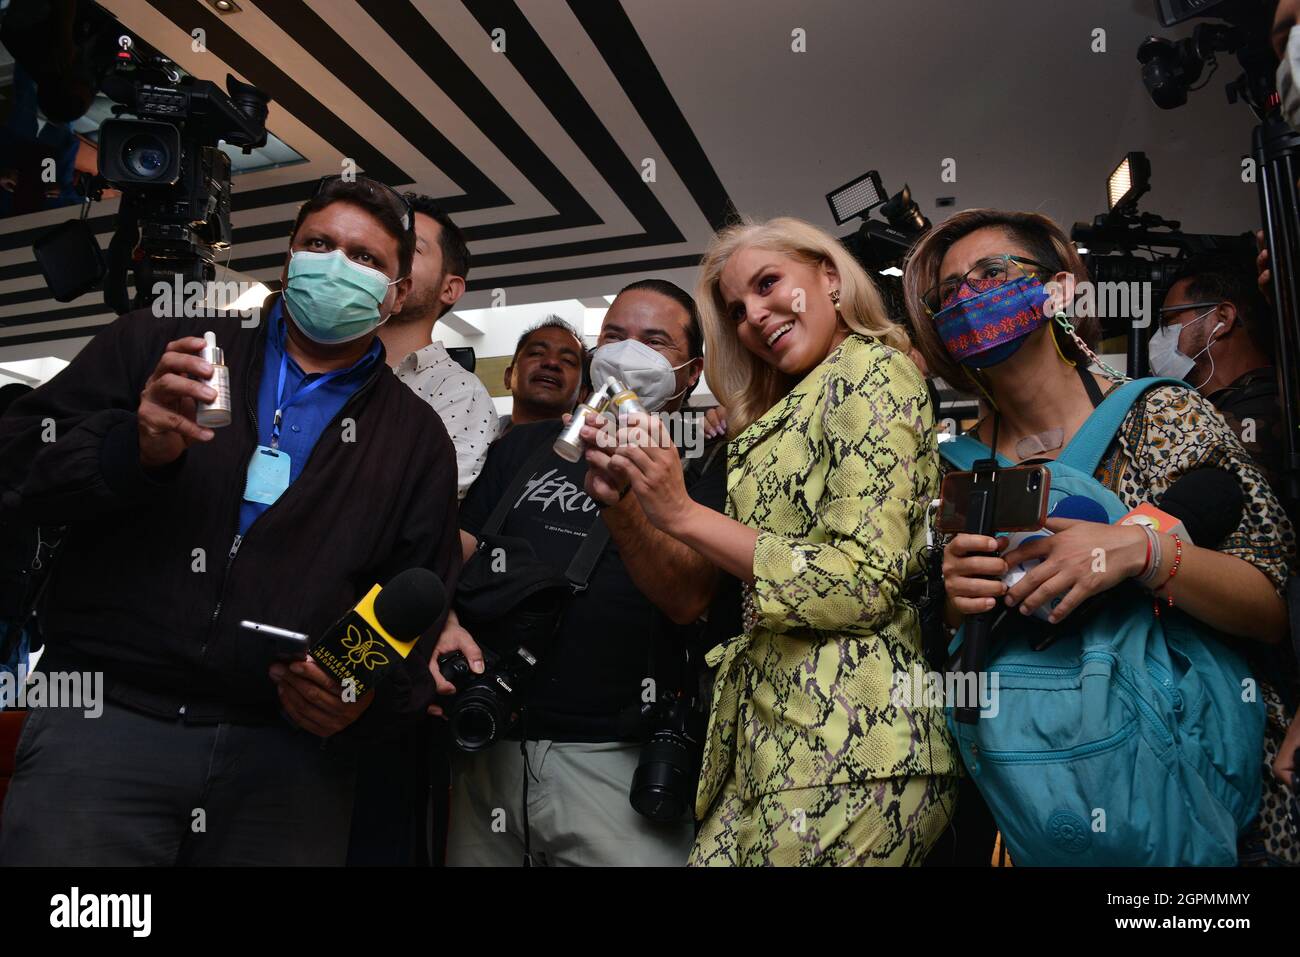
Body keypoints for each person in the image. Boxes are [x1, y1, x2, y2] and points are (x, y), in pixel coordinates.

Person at [0, 175, 461, 866]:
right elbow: (18, 460)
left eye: (365, 259)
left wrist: (355, 689)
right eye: (318, 243)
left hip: (288, 760)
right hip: (107, 728)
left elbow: (416, 592)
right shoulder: (165, 342)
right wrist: (132, 446)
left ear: (397, 294)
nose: (336, 264)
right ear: (287, 258)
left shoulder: (418, 437)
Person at [905, 207, 1296, 865]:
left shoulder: (1159, 412)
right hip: (1041, 811)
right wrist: (951, 604)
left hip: (1201, 803)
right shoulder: (949, 471)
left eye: (991, 273)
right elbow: (933, 658)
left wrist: (1142, 551)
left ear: (1059, 290)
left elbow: (1268, 608)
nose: (966, 300)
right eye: (948, 294)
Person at [597, 217, 959, 866]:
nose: (755, 316)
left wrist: (679, 512)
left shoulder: (873, 371)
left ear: (829, 276)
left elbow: (861, 583)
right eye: (737, 310)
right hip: (766, 741)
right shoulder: (780, 408)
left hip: (855, 742)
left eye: (769, 284)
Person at [432, 278, 726, 867]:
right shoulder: (529, 444)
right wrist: (442, 619)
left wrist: (623, 504)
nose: (627, 352)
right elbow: (458, 546)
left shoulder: (707, 462)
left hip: (615, 761)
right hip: (489, 742)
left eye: (654, 341)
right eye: (614, 335)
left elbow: (686, 599)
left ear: (690, 373)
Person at [377, 194, 496, 499]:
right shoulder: (325, 357)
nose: (391, 255)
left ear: (449, 288)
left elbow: (420, 505)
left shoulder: (460, 392)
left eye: (412, 248)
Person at [1155, 256, 1286, 507]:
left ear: (1223, 319)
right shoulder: (1210, 408)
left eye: (1169, 321)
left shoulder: (1268, 410)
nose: (1158, 338)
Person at [497, 317, 584, 434]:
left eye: (568, 360)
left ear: (582, 393)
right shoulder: (475, 438)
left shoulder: (599, 448)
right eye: (537, 353)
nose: (552, 362)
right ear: (509, 376)